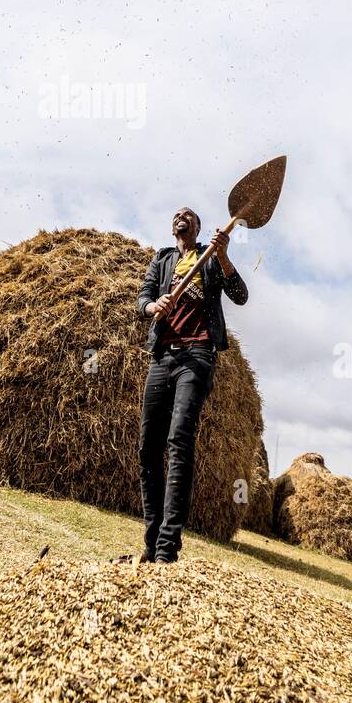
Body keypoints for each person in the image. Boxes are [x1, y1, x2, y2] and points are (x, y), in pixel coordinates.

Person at [136, 206, 248, 564]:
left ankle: (168, 547)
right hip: (162, 356)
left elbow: (240, 295)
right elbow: (142, 298)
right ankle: (152, 542)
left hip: (197, 355)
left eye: (189, 215)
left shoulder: (210, 258)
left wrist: (225, 255)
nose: (181, 217)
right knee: (147, 448)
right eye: (177, 214)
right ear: (173, 229)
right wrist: (155, 306)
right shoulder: (164, 259)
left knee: (178, 440)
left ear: (198, 229)